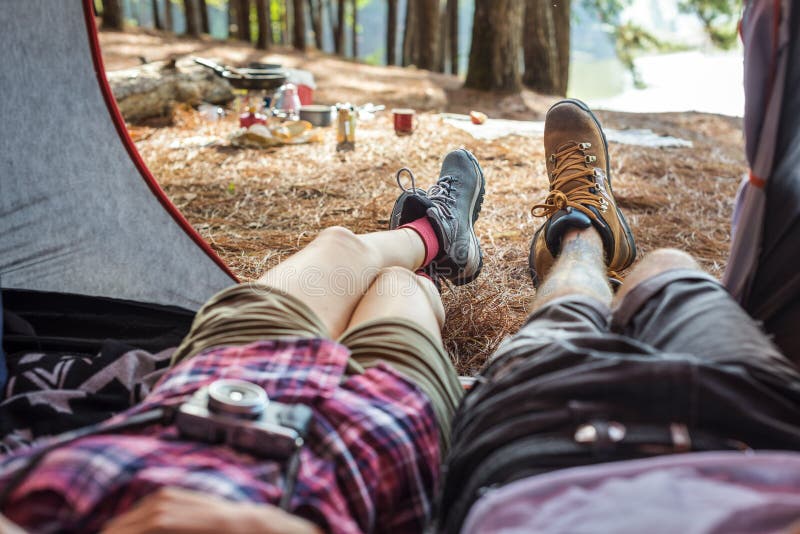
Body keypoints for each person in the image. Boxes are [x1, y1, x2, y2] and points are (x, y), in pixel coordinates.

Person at [0, 149, 487, 533]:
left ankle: (436, 235)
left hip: (205, 396)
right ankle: (429, 270)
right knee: (400, 288)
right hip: (369, 446)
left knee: (340, 245)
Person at [436, 99, 800, 534]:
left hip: (539, 456)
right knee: (668, 266)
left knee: (570, 299)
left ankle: (580, 231)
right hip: (762, 429)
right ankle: (596, 230)